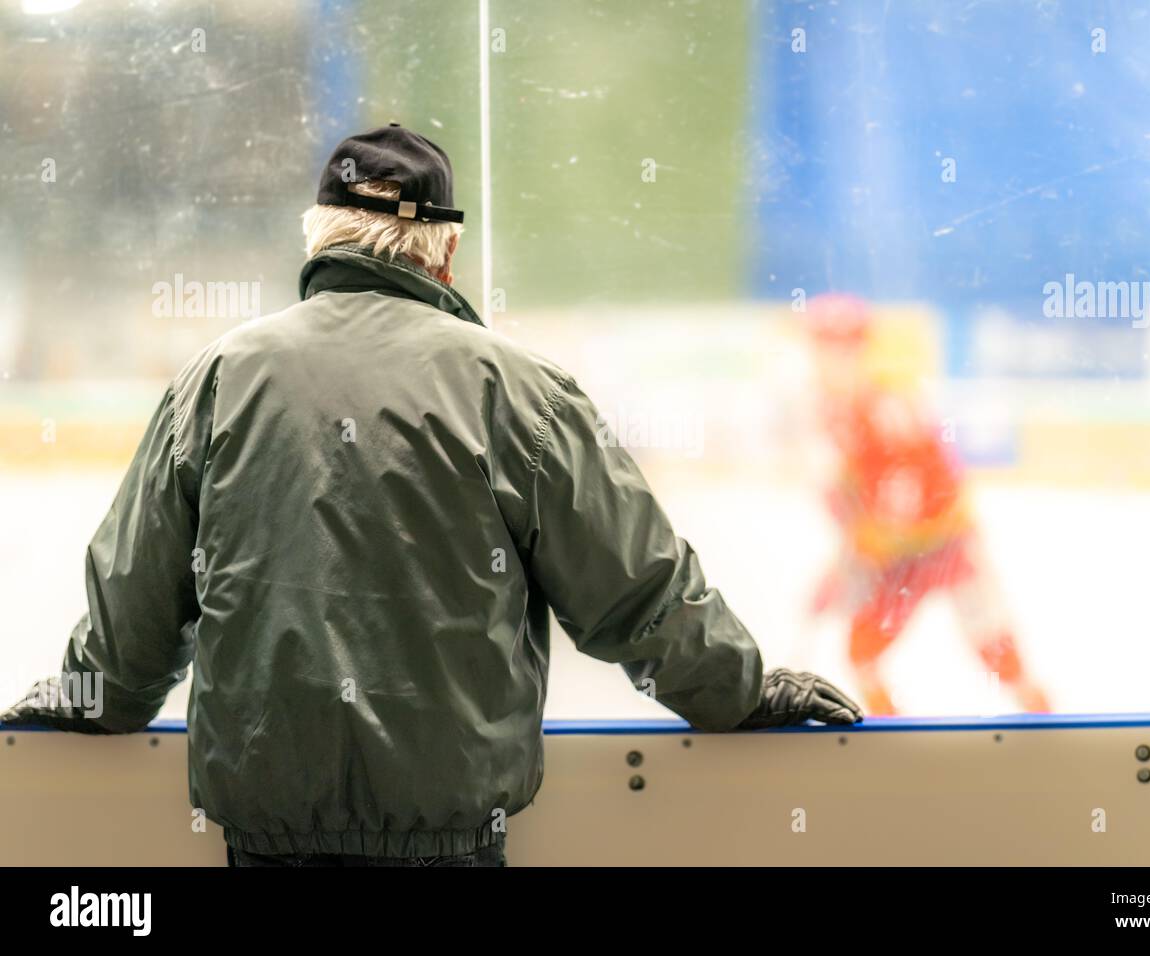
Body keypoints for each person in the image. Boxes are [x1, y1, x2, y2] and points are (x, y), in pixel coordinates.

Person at [1, 125, 861, 867]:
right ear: (444, 250)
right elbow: (635, 590)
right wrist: (737, 692)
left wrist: (89, 696)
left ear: (318, 242)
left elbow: (137, 602)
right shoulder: (517, 390)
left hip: (266, 827)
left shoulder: (218, 379)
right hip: (449, 831)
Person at [805, 293, 1048, 716]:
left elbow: (918, 489)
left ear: (861, 351)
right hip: (899, 557)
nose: (832, 360)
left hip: (945, 545)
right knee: (862, 654)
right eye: (824, 348)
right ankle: (893, 740)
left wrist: (857, 556)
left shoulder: (885, 405)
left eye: (844, 348)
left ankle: (1050, 728)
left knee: (998, 653)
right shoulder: (833, 411)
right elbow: (849, 499)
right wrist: (849, 553)